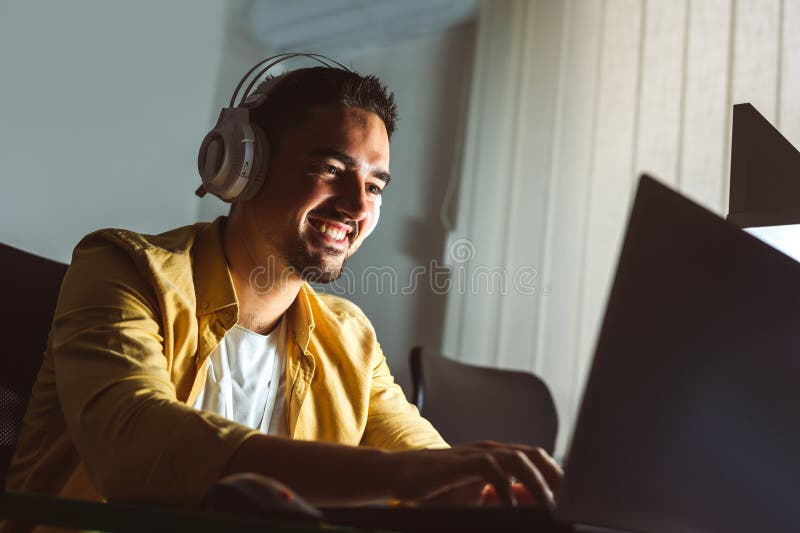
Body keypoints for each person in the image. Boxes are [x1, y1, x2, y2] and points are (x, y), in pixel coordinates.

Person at [4, 60, 562, 520]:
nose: (358, 206)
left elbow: (427, 462)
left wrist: (493, 497)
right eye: (330, 168)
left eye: (374, 185)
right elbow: (131, 443)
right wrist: (412, 476)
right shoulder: (125, 268)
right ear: (243, 167)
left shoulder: (348, 338)